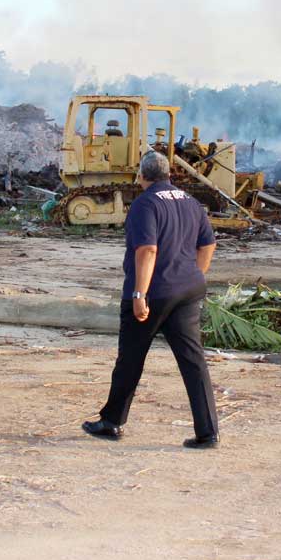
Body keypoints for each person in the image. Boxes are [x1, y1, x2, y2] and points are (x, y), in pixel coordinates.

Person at [82, 151, 220, 448]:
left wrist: (138, 294)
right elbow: (208, 245)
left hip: (154, 293)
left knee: (130, 358)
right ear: (169, 174)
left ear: (141, 175)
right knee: (193, 361)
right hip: (187, 290)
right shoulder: (190, 201)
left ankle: (112, 421)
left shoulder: (145, 203)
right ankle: (208, 432)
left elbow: (147, 250)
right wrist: (195, 274)